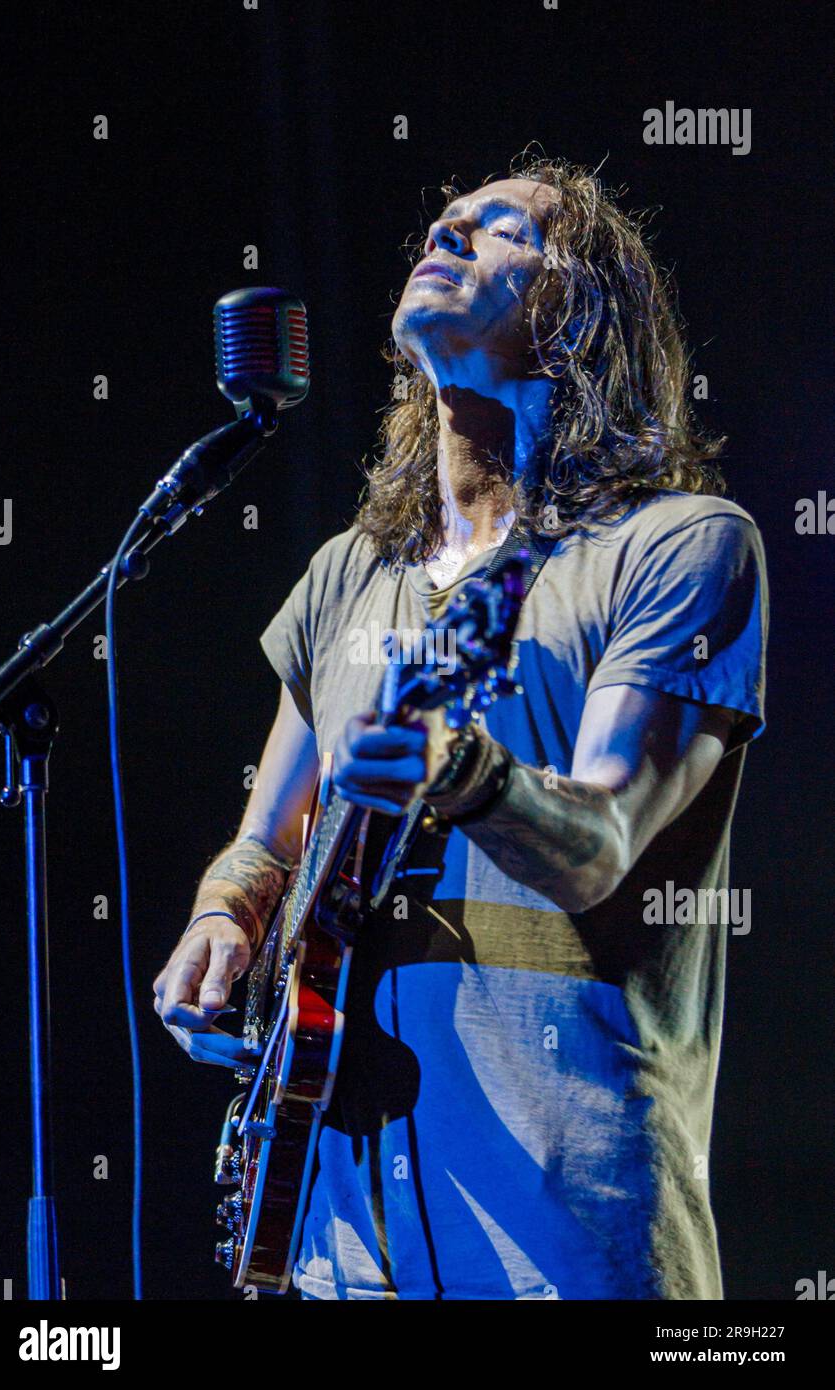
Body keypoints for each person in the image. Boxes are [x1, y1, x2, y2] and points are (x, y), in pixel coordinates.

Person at [153, 155, 768, 1300]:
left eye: (500, 232)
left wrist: (466, 769)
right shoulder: (349, 571)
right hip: (337, 1217)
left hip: (563, 1215)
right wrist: (221, 919)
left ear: (581, 309)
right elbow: (264, 841)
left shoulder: (681, 545)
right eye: (441, 222)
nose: (447, 231)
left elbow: (598, 840)